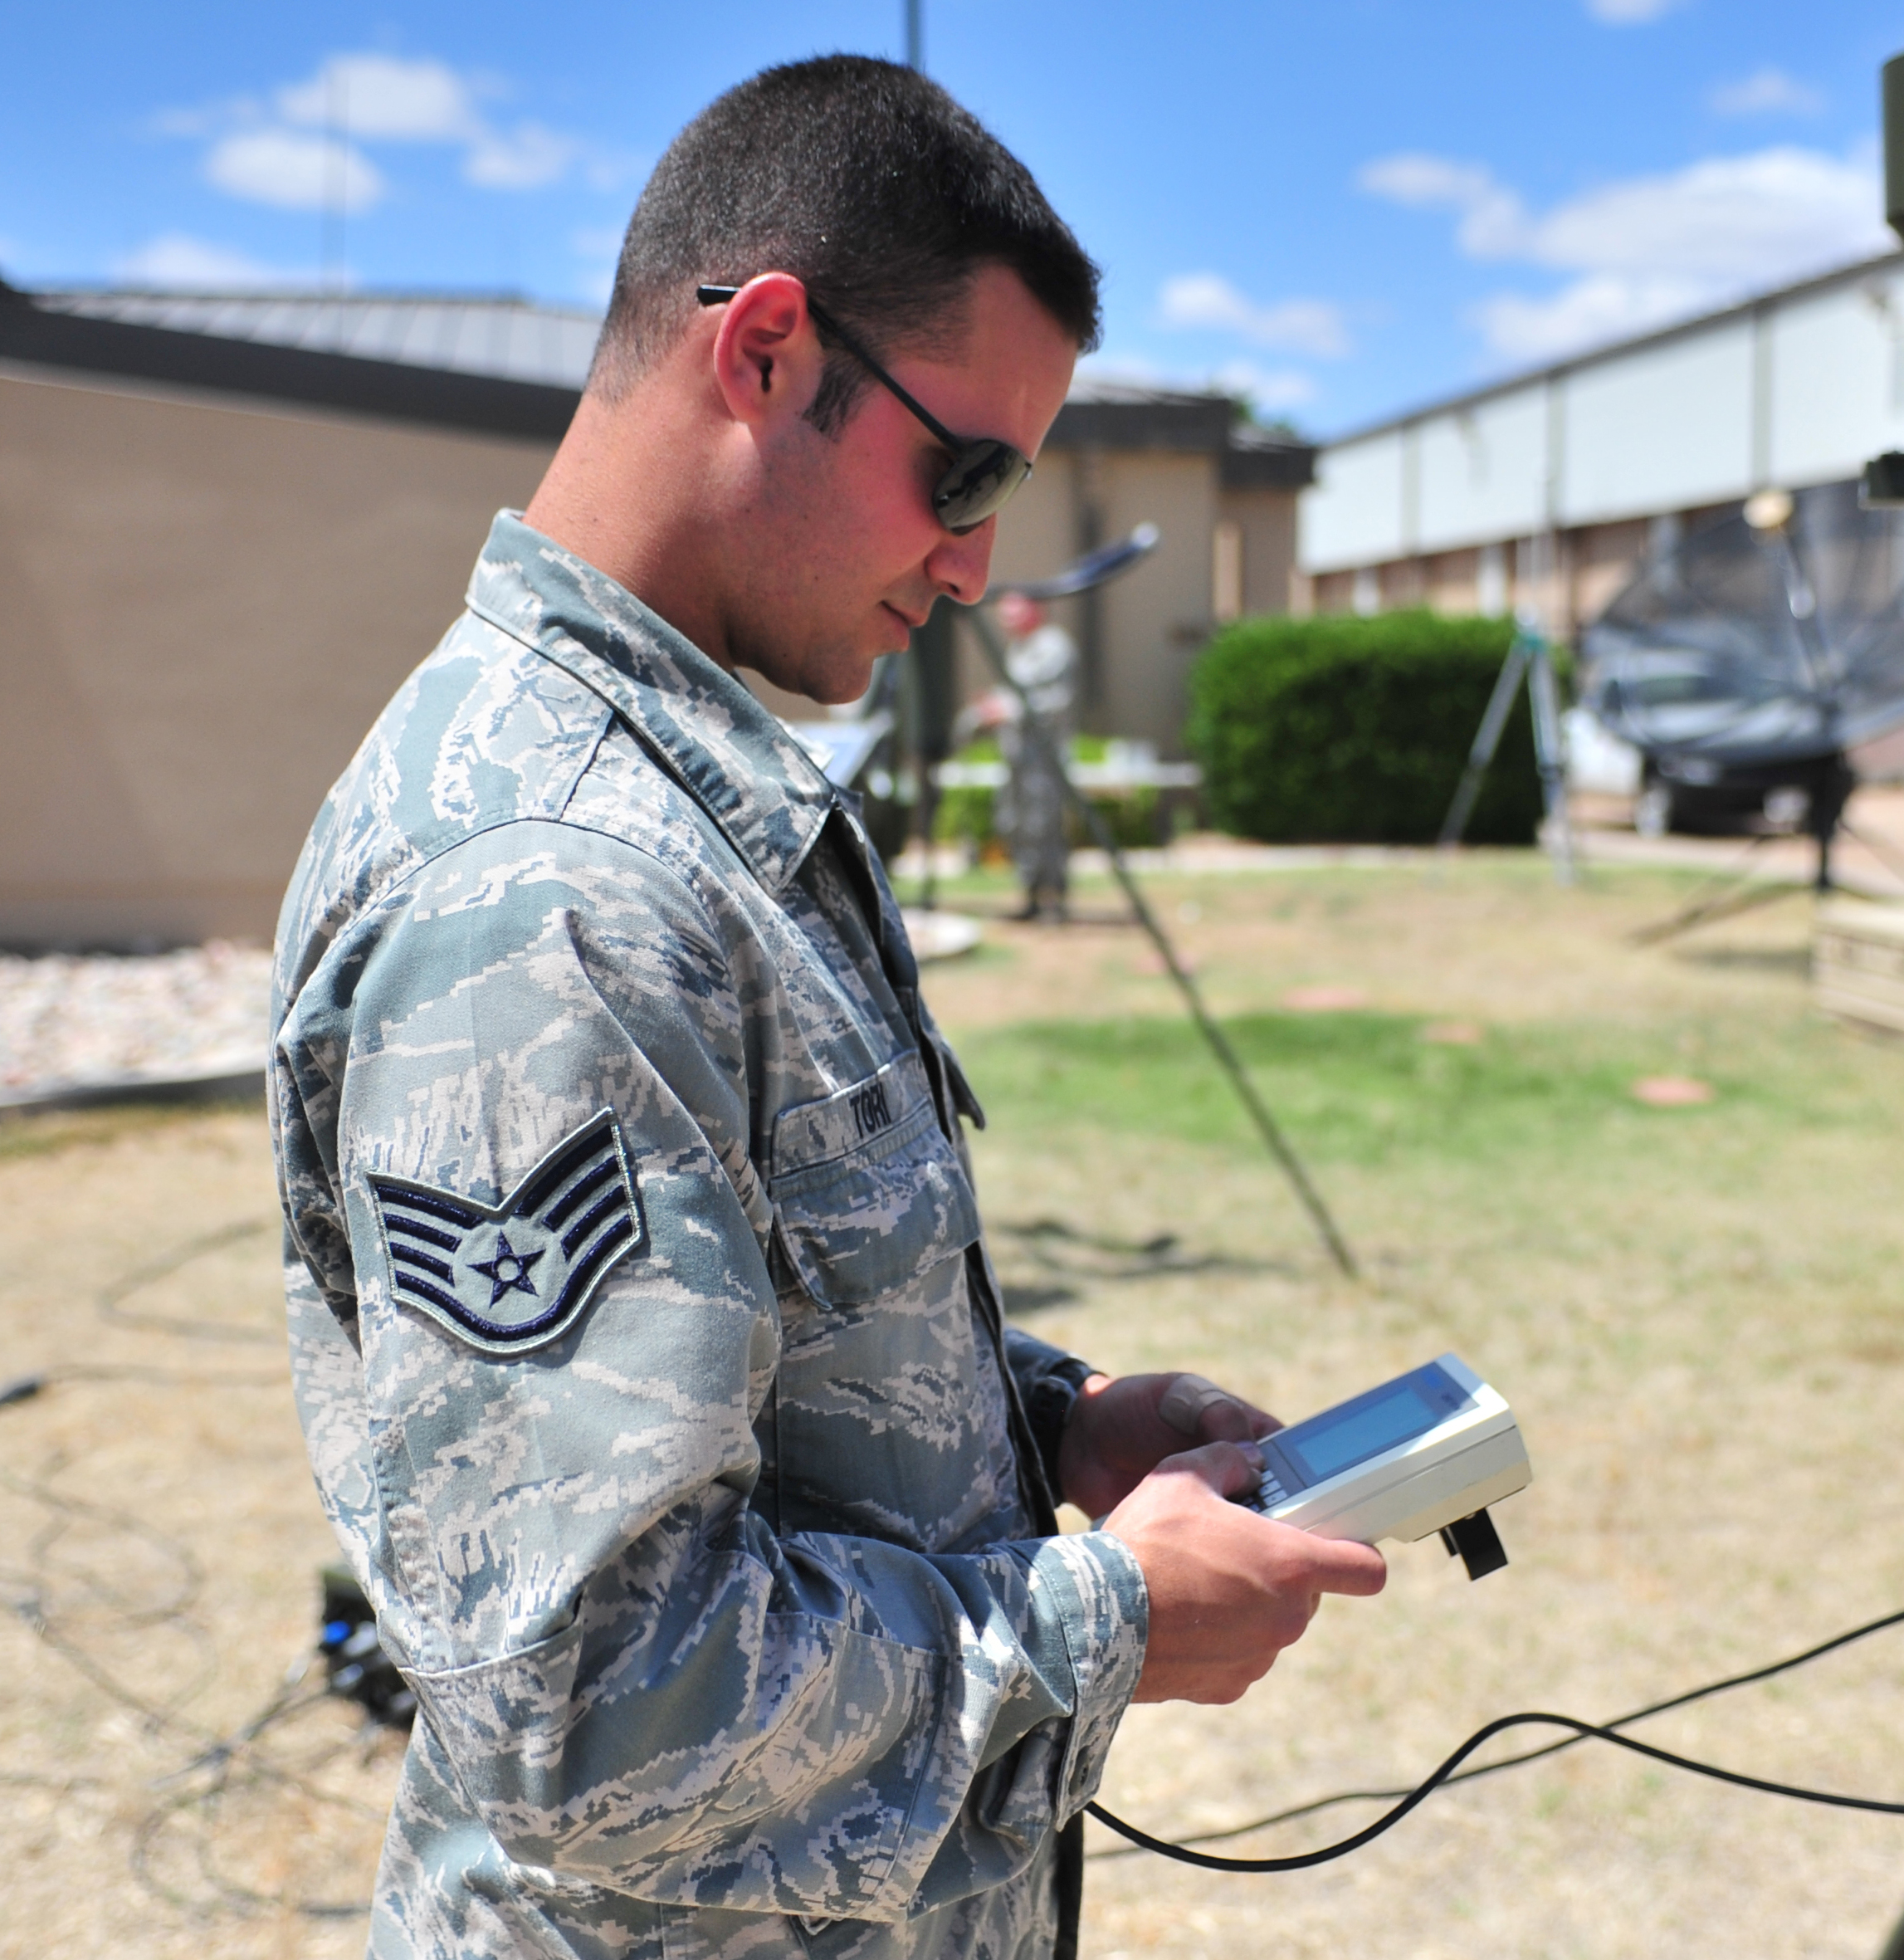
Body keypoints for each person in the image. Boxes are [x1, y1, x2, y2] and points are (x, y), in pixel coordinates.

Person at [266, 57, 1385, 1960]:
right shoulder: (559, 885)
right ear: (767, 351)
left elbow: (745, 1353)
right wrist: (1111, 1616)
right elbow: (596, 1707)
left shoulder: (682, 806)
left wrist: (1047, 1430)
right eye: (966, 477)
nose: (973, 564)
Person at [990, 590, 1078, 919]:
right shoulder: (1017, 649)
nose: (1005, 620)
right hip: (1016, 754)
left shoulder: (1054, 647)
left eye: (1011, 612)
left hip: (1044, 757)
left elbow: (1056, 700)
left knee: (1045, 825)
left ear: (1034, 609)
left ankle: (1054, 900)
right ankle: (1030, 895)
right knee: (1016, 821)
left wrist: (1008, 711)